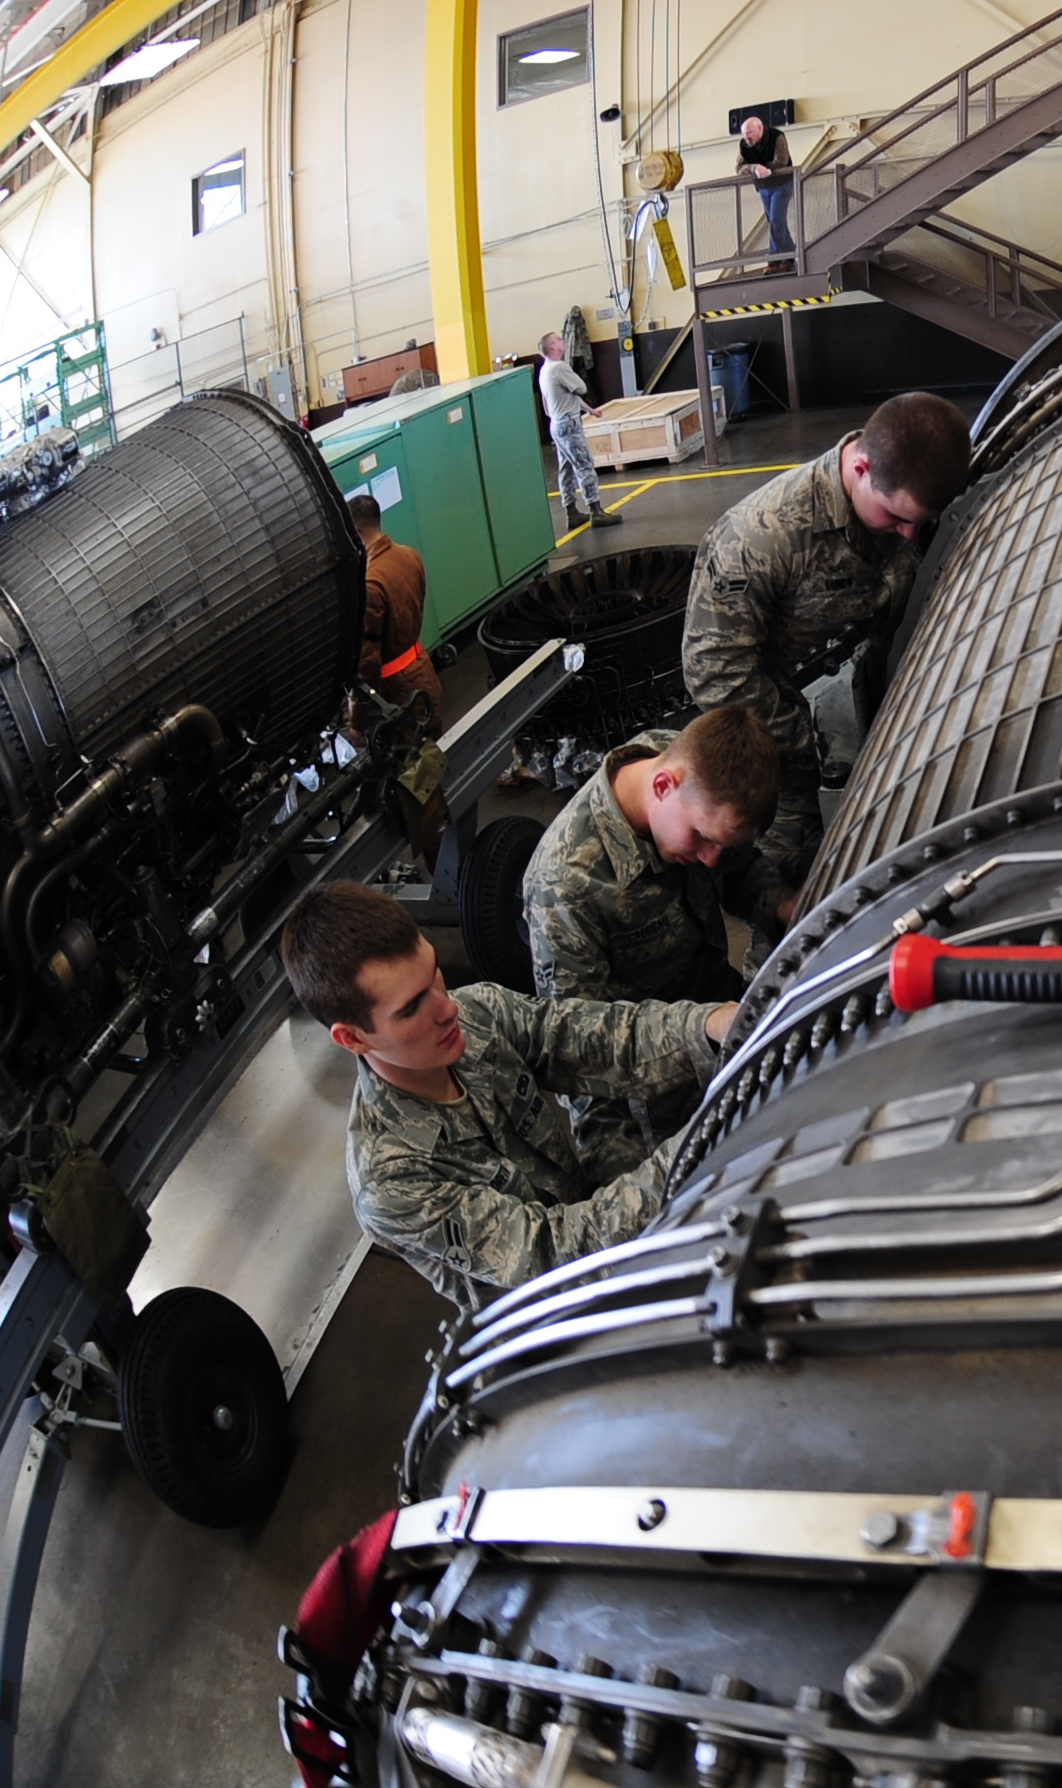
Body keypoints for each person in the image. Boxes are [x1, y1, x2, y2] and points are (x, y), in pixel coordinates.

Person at [283, 882, 738, 1307]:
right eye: (412, 1007)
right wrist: (704, 1143)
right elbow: (555, 1253)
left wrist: (709, 1025)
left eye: (435, 975)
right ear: (353, 1039)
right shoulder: (392, 1180)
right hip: (548, 1317)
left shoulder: (476, 1014)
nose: (447, 1007)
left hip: (591, 1216)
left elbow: (593, 1039)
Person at [683, 390, 971, 915]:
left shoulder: (912, 495)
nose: (909, 535)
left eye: (920, 523)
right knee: (791, 884)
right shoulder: (758, 539)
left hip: (872, 710)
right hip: (781, 747)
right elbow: (715, 676)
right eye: (895, 517)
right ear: (859, 466)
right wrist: (800, 741)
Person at [522, 706, 779, 1174]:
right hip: (652, 1093)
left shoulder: (689, 770)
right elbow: (577, 1050)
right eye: (701, 839)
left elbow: (738, 869)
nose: (708, 859)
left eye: (722, 845)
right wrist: (625, 1188)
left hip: (725, 1017)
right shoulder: (566, 883)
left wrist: (785, 904)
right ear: (663, 787)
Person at [348, 492, 443, 731]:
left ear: (357, 533)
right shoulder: (410, 556)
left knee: (413, 764)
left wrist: (357, 720)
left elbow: (368, 661)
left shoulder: (370, 584)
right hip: (425, 675)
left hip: (398, 697)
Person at [538, 333, 621, 532]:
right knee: (584, 466)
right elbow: (580, 388)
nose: (563, 341)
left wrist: (589, 410)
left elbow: (566, 395)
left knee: (565, 469)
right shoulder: (560, 367)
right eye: (558, 340)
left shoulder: (545, 369)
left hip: (557, 425)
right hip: (569, 425)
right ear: (552, 347)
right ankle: (596, 511)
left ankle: (572, 512)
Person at [737, 114, 795, 269]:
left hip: (782, 183)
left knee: (776, 220)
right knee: (775, 222)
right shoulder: (743, 145)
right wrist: (754, 168)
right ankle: (790, 255)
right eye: (744, 134)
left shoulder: (777, 137)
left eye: (749, 133)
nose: (747, 138)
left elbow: (781, 161)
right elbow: (739, 167)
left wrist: (765, 169)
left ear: (760, 128)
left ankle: (774, 260)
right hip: (763, 187)